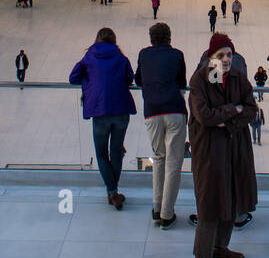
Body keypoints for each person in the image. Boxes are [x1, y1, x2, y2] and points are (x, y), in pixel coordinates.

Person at [187, 34, 257, 258]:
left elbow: (250, 109)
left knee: (232, 194)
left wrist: (226, 122)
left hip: (234, 144)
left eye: (229, 54)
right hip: (209, 150)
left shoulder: (238, 76)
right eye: (221, 55)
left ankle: (220, 246)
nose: (226, 59)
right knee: (210, 199)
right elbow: (204, 116)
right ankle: (202, 255)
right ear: (211, 57)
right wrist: (232, 110)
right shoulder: (200, 80)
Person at [70, 29, 136, 209]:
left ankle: (112, 191)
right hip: (121, 109)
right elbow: (130, 79)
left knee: (101, 153)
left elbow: (73, 77)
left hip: (99, 110)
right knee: (116, 151)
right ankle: (114, 192)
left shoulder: (90, 57)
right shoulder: (121, 58)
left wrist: (89, 84)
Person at [134, 23, 188, 228]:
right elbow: (182, 82)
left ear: (151, 38)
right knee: (174, 162)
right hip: (174, 109)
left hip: (152, 112)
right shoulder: (177, 55)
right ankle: (167, 213)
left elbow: (138, 79)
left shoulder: (144, 54)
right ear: (169, 37)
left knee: (158, 158)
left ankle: (157, 208)